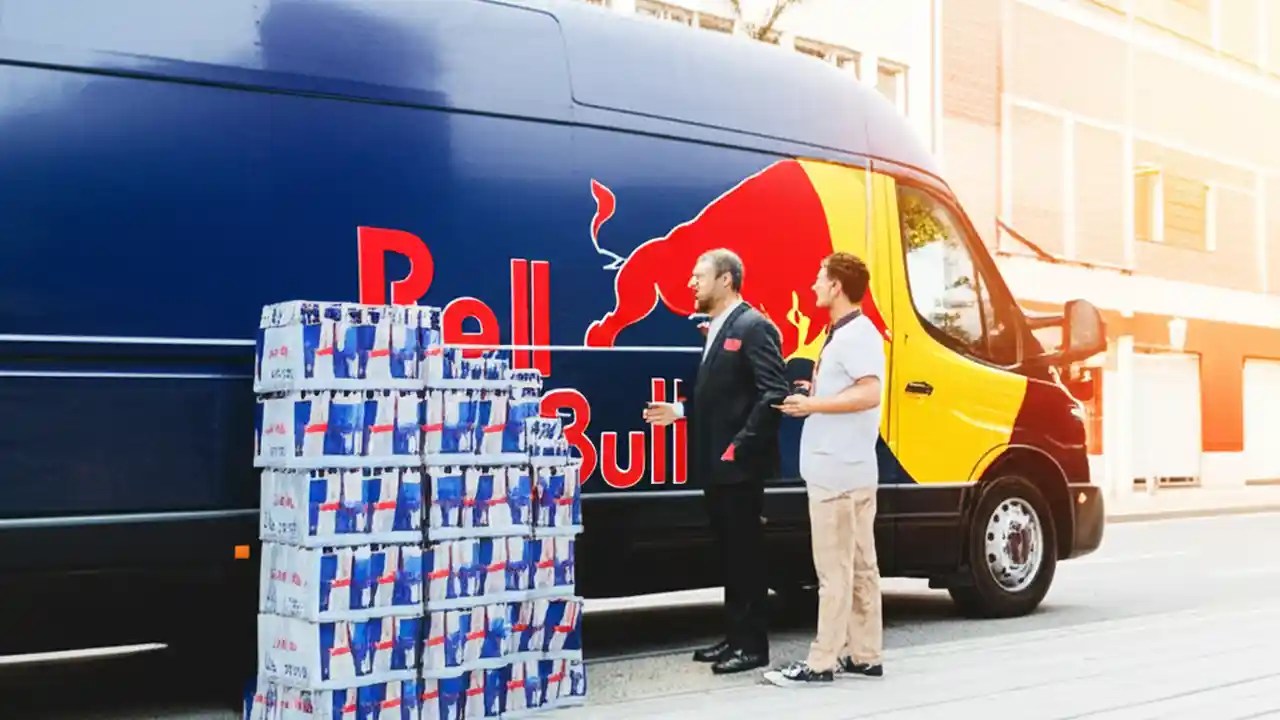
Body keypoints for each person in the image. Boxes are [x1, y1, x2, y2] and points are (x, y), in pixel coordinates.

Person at [643, 248, 788, 675]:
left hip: (739, 467)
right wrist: (681, 413)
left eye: (699, 275)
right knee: (730, 555)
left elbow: (773, 393)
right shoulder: (717, 328)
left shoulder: (754, 326)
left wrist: (739, 446)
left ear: (726, 280)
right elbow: (726, 396)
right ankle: (735, 637)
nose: (692, 283)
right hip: (717, 466)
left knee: (745, 556)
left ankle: (753, 647)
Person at [764, 251, 885, 687]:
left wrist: (812, 405)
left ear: (836, 286)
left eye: (819, 278)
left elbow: (870, 392)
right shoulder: (850, 333)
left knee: (834, 571)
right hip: (849, 470)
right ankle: (866, 655)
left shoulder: (856, 336)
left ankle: (821, 662)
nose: (813, 285)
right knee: (859, 566)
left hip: (837, 475)